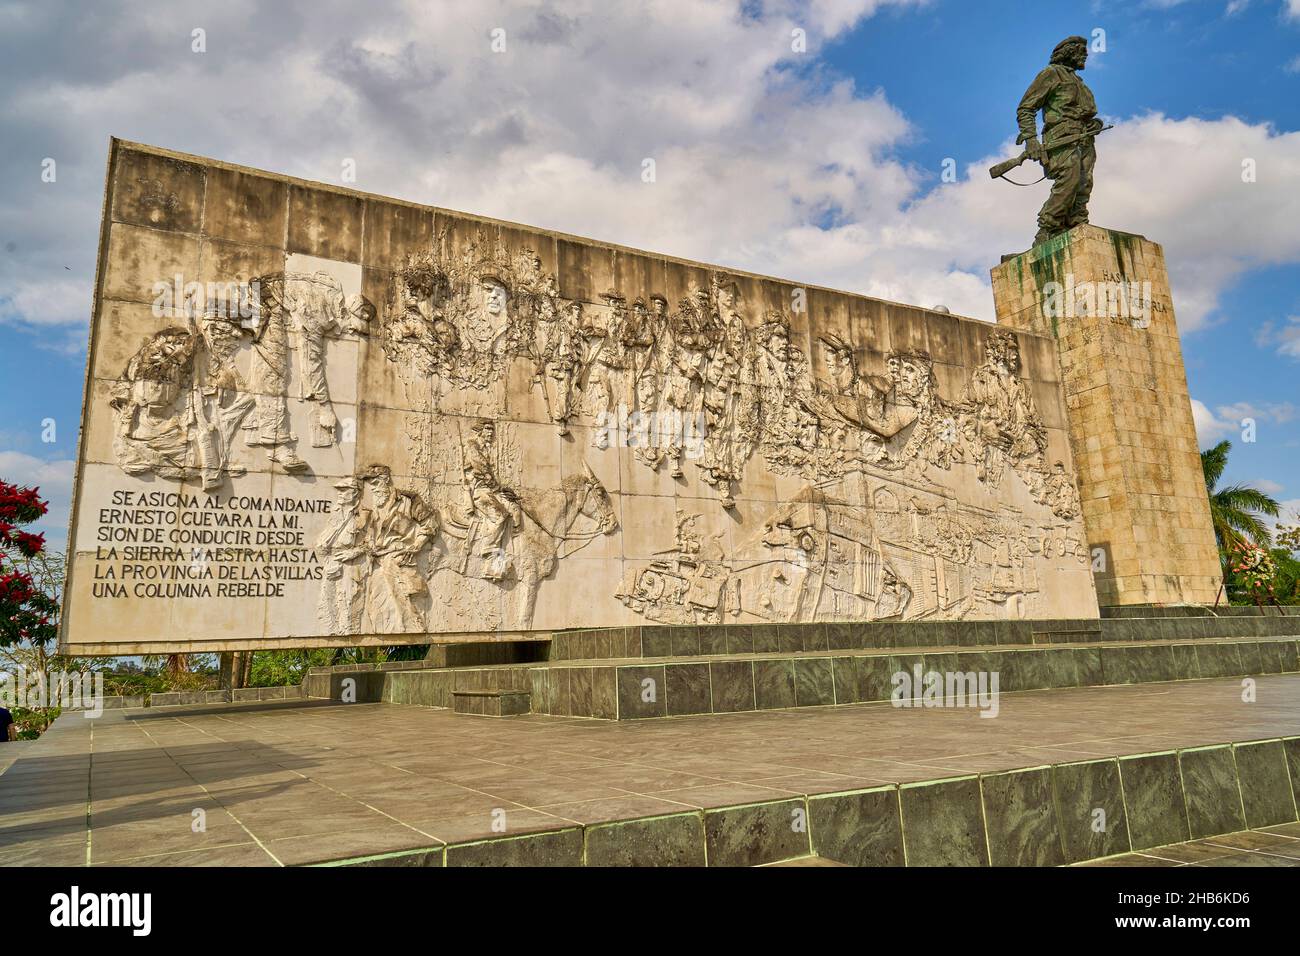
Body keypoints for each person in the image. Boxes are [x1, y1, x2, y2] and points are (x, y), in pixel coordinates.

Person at [1016, 35, 1103, 245]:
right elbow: (1026, 108)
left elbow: (1086, 113)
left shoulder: (1079, 82)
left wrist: (1095, 124)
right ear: (1069, 52)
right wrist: (1031, 140)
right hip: (1061, 138)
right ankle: (1047, 229)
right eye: (1081, 51)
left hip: (1084, 138)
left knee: (1084, 184)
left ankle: (1077, 223)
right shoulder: (1051, 74)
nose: (1086, 55)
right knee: (1069, 180)